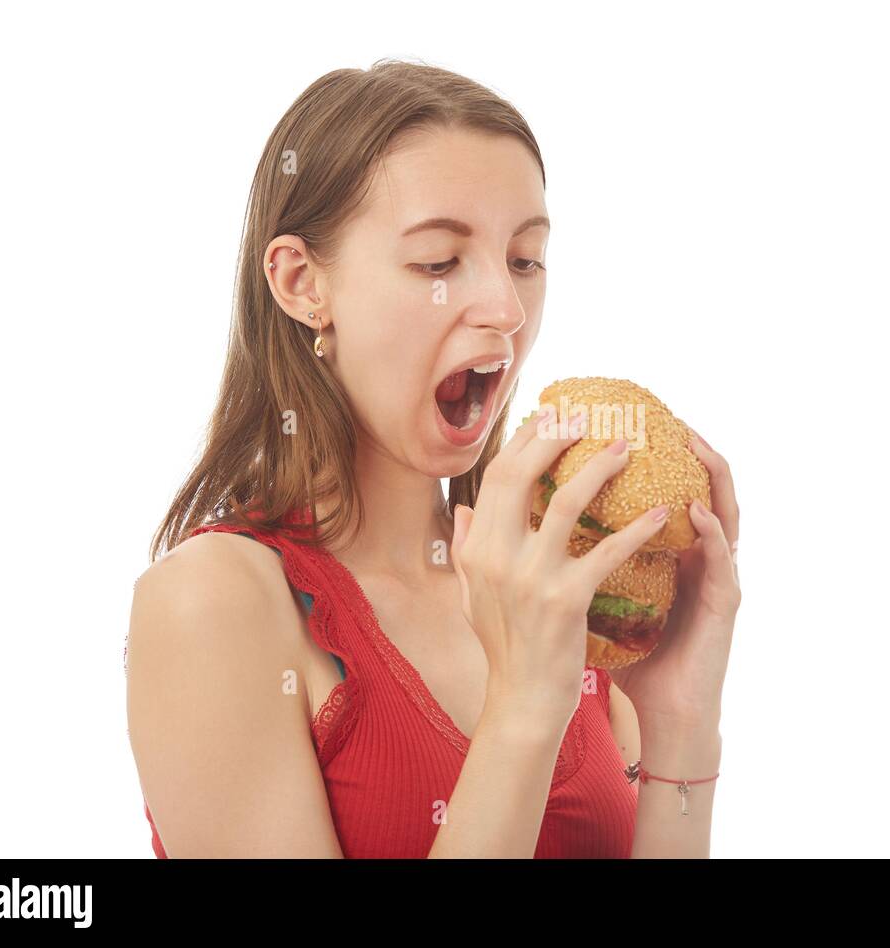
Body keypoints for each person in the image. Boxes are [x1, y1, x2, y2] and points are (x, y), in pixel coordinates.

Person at [126, 59, 741, 858]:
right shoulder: (212, 603)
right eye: (439, 263)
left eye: (525, 259)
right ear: (303, 282)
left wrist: (681, 726)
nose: (506, 310)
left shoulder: (550, 594)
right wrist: (521, 707)